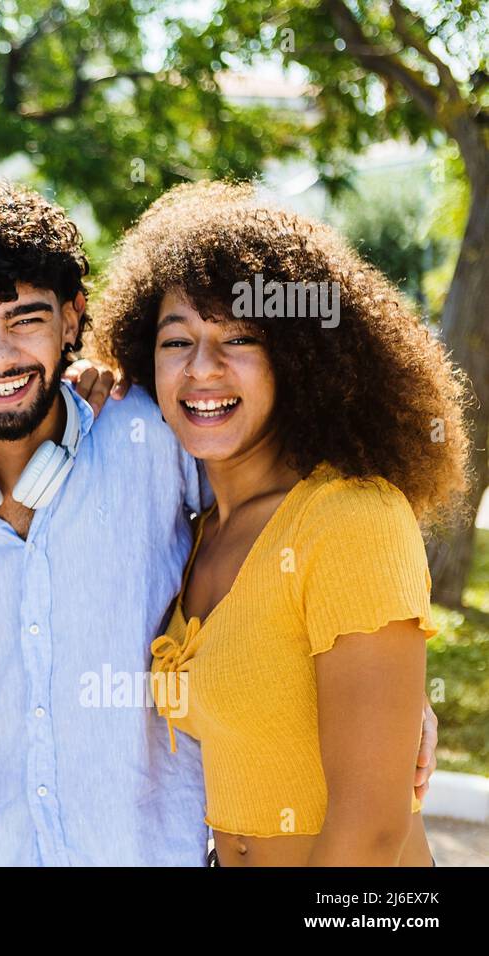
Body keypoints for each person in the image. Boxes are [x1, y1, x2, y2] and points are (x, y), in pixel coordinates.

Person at [0, 175, 439, 866]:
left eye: (26, 320)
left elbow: (369, 825)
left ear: (72, 321)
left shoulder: (157, 437)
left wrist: (391, 698)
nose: (0, 354)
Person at [95, 181, 469, 866]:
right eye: (177, 341)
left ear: (298, 359)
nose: (202, 368)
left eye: (239, 338)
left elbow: (371, 831)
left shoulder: (350, 517)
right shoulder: (201, 530)